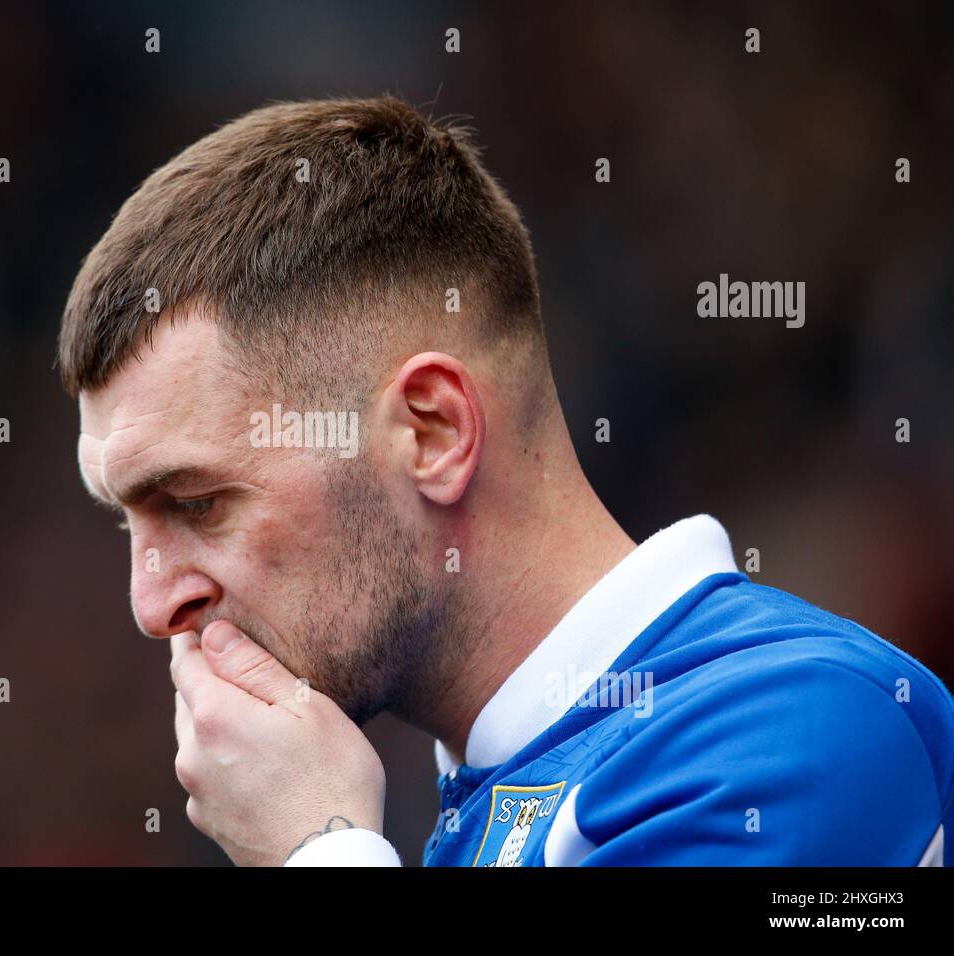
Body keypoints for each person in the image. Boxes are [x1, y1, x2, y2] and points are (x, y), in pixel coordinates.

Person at [57, 95, 954, 866]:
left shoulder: (795, 732)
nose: (150, 603)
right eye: (126, 521)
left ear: (433, 432)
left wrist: (317, 845)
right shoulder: (484, 801)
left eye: (196, 502)